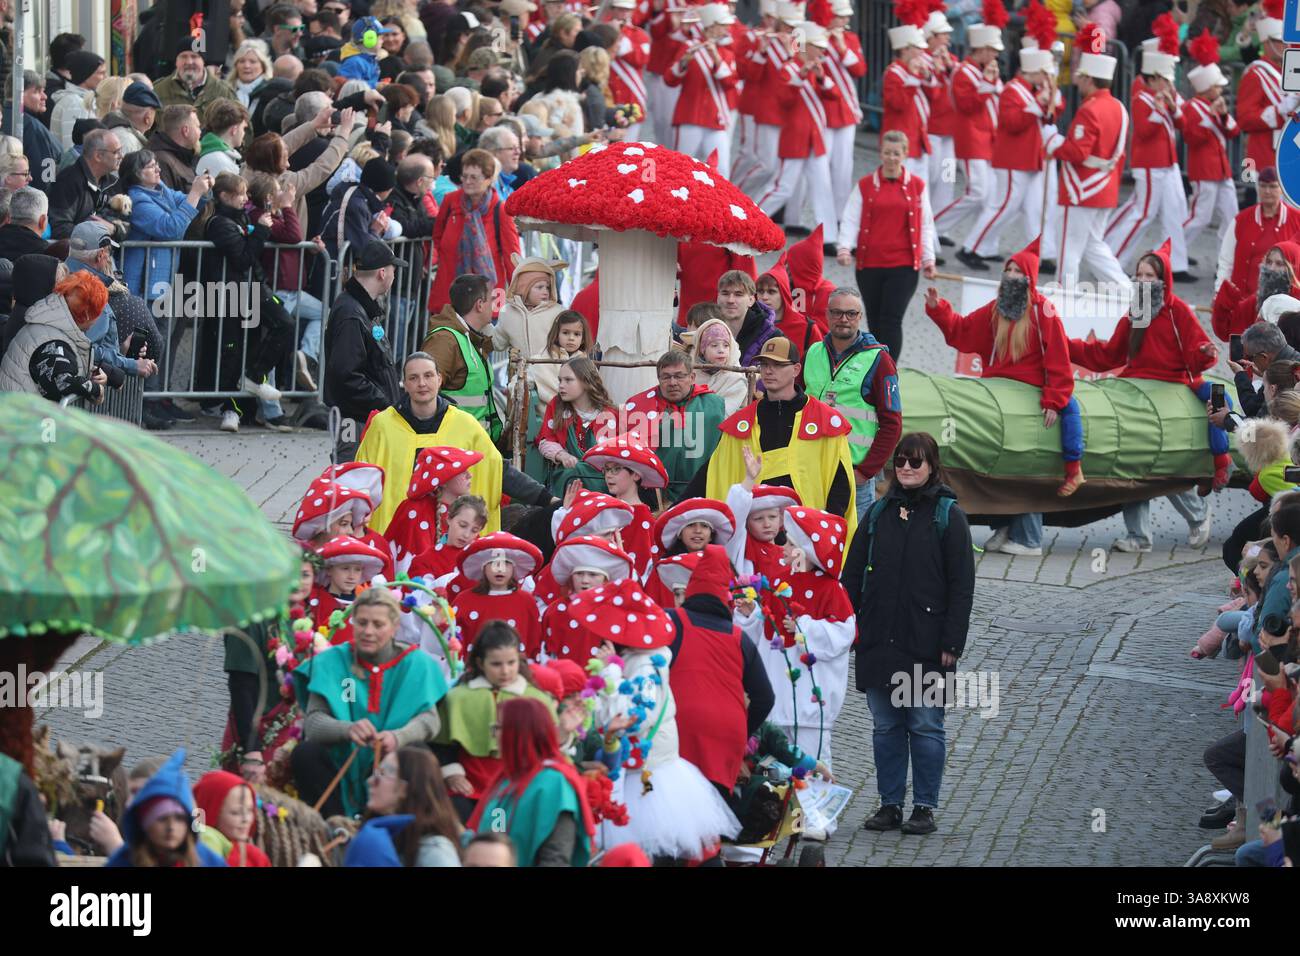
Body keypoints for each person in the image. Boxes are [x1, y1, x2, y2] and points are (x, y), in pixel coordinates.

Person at [841, 432, 974, 836]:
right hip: (880, 639)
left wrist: (952, 643)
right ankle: (889, 804)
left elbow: (961, 584)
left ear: (932, 466)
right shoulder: (879, 511)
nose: (907, 469)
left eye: (916, 462)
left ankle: (924, 807)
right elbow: (851, 576)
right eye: (900, 462)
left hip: (927, 642)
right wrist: (848, 626)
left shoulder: (949, 516)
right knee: (885, 727)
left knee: (925, 725)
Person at [926, 238, 1083, 552]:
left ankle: (1029, 533)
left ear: (1029, 278)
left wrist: (1054, 400)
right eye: (1007, 269)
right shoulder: (995, 310)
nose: (1010, 275)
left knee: (1023, 461)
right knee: (993, 458)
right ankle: (1003, 525)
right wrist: (939, 309)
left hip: (1029, 396)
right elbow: (961, 332)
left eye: (1017, 270)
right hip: (996, 393)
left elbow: (1058, 360)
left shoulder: (1044, 312)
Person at [571, 578, 743, 862]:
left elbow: (636, 717)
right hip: (624, 769)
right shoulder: (626, 659)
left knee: (657, 850)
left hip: (650, 774)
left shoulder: (647, 665)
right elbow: (602, 715)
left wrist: (612, 673)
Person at [1068, 242, 1225, 550]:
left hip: (1171, 391)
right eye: (1138, 275)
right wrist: (1065, 344)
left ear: (1163, 280)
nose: (1142, 281)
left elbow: (1198, 355)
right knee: (1132, 459)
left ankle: (1197, 512)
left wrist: (1205, 353)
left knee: (1163, 462)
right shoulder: (1137, 310)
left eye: (1149, 275)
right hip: (1135, 390)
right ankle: (1139, 536)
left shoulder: (1178, 310)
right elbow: (1108, 356)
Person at [291, 586, 448, 817]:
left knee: (417, 752)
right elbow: (314, 723)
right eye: (361, 622)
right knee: (306, 753)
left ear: (395, 628)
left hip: (393, 761)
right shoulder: (334, 661)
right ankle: (335, 826)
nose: (368, 631)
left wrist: (398, 737)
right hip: (341, 759)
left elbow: (430, 720)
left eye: (378, 625)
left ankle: (403, 831)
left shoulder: (416, 664)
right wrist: (347, 729)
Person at [690, 336, 857, 534]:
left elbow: (841, 485)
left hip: (806, 533)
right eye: (764, 364)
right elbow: (711, 475)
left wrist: (826, 532)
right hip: (755, 534)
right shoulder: (742, 423)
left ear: (796, 369)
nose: (769, 371)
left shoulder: (824, 420)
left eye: (777, 365)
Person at [354, 351, 534, 534]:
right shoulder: (383, 426)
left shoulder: (464, 424)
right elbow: (361, 478)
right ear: (405, 384)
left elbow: (497, 468)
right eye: (414, 378)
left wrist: (545, 497)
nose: (422, 383)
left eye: (428, 375)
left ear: (439, 379)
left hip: (452, 538)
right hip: (392, 534)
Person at [665, 544, 775, 798]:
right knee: (713, 807)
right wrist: (742, 730)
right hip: (729, 731)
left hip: (683, 723)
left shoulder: (672, 621)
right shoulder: (739, 638)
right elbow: (765, 697)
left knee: (681, 802)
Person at [1042, 24, 1132, 297]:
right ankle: (1130, 293)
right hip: (1105, 188)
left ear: (1090, 79)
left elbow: (1078, 152)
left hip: (1081, 189)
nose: (1077, 81)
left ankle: (1062, 301)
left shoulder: (1089, 109)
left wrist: (1052, 142)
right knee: (1094, 247)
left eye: (1081, 77)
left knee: (1068, 249)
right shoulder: (1119, 106)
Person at [434, 622, 556, 818]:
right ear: (481, 663)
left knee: (498, 835)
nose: (505, 671)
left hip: (516, 788)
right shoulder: (457, 698)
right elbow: (440, 744)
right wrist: (452, 773)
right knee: (466, 838)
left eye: (511, 663)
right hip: (468, 786)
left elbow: (549, 749)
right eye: (496, 664)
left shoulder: (536, 700)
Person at [836, 129, 937, 362]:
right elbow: (851, 218)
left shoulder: (917, 187)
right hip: (870, 264)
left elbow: (926, 224)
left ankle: (889, 368)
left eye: (896, 153)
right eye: (887, 153)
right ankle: (873, 366)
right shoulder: (865, 186)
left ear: (905, 155)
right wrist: (844, 247)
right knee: (874, 319)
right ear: (880, 154)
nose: (891, 158)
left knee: (892, 319)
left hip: (903, 266)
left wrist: (928, 260)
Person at [803, 286, 904, 519]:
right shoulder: (813, 352)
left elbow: (892, 424)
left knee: (853, 547)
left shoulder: (879, 360)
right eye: (837, 313)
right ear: (827, 315)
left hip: (852, 474)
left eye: (851, 313)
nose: (843, 319)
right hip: (810, 468)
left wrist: (865, 472)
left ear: (860, 317)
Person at [467, 696, 595, 866]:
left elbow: (555, 857)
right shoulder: (506, 781)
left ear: (517, 732)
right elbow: (498, 831)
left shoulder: (554, 784)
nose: (495, 735)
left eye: (498, 728)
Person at [1102, 47, 1190, 278]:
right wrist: (1159, 109)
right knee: (1143, 214)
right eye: (1163, 80)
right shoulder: (1142, 99)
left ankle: (1174, 264)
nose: (1168, 85)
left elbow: (1183, 125)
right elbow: (1144, 131)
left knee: (1174, 213)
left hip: (1166, 163)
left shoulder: (1160, 97)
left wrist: (1173, 108)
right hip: (1150, 165)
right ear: (1152, 79)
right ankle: (1113, 258)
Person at [933, 22, 1003, 252]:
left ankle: (980, 245)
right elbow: (967, 105)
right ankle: (932, 229)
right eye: (991, 50)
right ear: (980, 49)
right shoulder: (965, 71)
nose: (995, 55)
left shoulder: (979, 70)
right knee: (970, 190)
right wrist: (988, 84)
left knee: (969, 190)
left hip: (973, 139)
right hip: (951, 138)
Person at [622, 349, 727, 502]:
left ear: (692, 377)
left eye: (679, 376)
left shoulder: (713, 405)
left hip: (702, 490)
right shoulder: (638, 405)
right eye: (666, 377)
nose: (672, 383)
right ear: (658, 378)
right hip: (654, 495)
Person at [426, 147, 521, 314]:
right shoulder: (450, 201)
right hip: (449, 292)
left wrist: (519, 298)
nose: (467, 181)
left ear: (488, 179)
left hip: (486, 298)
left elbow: (512, 256)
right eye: (465, 176)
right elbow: (438, 237)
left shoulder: (500, 210)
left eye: (474, 177)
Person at [0, 270, 109, 403]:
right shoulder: (52, 339)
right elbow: (62, 380)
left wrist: (93, 373)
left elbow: (63, 362)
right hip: (20, 419)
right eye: (98, 313)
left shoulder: (53, 323)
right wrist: (96, 390)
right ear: (87, 315)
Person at [343, 747, 463, 866]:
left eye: (382, 774)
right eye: (375, 773)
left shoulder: (435, 851)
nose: (370, 781)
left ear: (405, 788)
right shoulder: (375, 837)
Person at [104, 750, 228, 867]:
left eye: (179, 818)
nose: (171, 827)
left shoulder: (208, 859)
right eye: (162, 819)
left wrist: (114, 844)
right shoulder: (123, 859)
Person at [423, 272, 504, 440]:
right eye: (491, 299)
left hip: (472, 449)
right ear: (480, 305)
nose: (494, 306)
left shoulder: (471, 337)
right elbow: (423, 393)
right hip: (454, 452)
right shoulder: (445, 340)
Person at [1182, 32, 1240, 259]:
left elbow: (1234, 131)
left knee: (1232, 217)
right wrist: (1211, 117)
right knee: (1200, 218)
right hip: (1204, 171)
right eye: (1217, 86)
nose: (1221, 90)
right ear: (1207, 88)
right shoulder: (1192, 107)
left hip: (1222, 170)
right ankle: (1169, 253)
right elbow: (1192, 139)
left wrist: (1223, 115)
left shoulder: (1216, 106)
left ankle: (1224, 261)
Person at [664, 3, 737, 176]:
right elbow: (670, 80)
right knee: (680, 168)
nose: (727, 29)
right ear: (711, 25)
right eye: (723, 25)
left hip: (715, 119)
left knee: (722, 171)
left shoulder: (726, 53)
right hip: (690, 116)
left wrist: (716, 58)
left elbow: (730, 83)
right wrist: (684, 61)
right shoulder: (688, 46)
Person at [1214, 168, 1300, 307]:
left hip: (1283, 307)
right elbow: (1225, 261)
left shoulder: (1297, 221)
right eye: (1263, 186)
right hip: (1243, 304)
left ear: (1282, 189)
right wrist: (1219, 293)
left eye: (1272, 186)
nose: (1267, 191)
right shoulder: (1240, 220)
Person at [535, 356, 619, 495]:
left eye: (568, 380)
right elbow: (546, 439)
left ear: (586, 382)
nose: (561, 385)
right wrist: (561, 455)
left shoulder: (609, 414)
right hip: (569, 472)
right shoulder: (556, 406)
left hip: (601, 474)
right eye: (560, 380)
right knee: (572, 472)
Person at [450, 534, 544, 655]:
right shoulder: (464, 600)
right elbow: (454, 639)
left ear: (514, 568)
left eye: (505, 563)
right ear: (483, 568)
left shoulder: (526, 601)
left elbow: (535, 639)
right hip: (474, 670)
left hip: (517, 670)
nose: (499, 569)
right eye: (493, 563)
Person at [1236, 8, 1291, 188]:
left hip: (1288, 151)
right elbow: (1245, 119)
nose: (1286, 46)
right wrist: (1279, 110)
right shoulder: (1256, 74)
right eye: (1280, 41)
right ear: (1266, 43)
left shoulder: (1288, 73)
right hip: (1264, 153)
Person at [880, 10, 935, 180]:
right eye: (917, 48)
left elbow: (936, 96)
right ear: (905, 50)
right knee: (903, 184)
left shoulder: (918, 70)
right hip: (905, 137)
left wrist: (926, 77)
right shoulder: (894, 73)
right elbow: (898, 104)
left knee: (931, 185)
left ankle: (938, 208)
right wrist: (913, 78)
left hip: (921, 136)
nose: (921, 52)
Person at [47, 128, 122, 241]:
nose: (121, 156)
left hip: (104, 256)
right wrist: (94, 232)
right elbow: (59, 227)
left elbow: (127, 224)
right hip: (73, 256)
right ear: (98, 156)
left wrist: (114, 229)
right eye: (116, 152)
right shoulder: (68, 181)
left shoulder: (114, 183)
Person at [192, 771, 271, 867]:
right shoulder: (186, 856)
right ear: (209, 811)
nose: (246, 819)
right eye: (236, 812)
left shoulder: (256, 858)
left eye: (250, 810)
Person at [153, 43, 239, 120]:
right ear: (176, 61)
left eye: (194, 56)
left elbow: (240, 126)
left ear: (203, 61)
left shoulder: (224, 91)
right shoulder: (159, 90)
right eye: (183, 56)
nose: (189, 62)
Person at [687, 308, 747, 416]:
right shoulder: (689, 373)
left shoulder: (736, 379)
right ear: (702, 349)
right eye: (714, 345)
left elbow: (723, 414)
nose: (721, 350)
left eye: (726, 345)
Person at [48, 50, 105, 151]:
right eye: (100, 73)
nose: (104, 77)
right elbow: (71, 148)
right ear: (85, 74)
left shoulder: (81, 100)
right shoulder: (75, 103)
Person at [146, 104, 202, 193]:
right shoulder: (161, 162)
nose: (200, 132)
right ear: (185, 131)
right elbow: (166, 204)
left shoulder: (184, 156)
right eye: (198, 127)